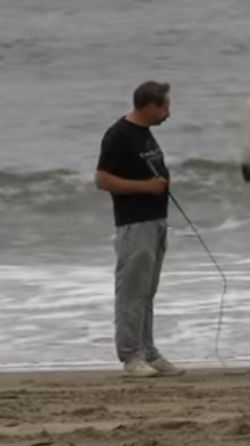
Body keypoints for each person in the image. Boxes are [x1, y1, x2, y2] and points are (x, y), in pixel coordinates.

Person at [95, 81, 184, 377]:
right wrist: (146, 187)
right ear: (150, 106)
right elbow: (103, 179)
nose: (168, 113)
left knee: (148, 292)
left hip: (156, 221)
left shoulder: (145, 135)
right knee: (132, 291)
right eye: (165, 107)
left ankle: (149, 352)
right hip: (134, 224)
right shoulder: (119, 135)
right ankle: (131, 356)